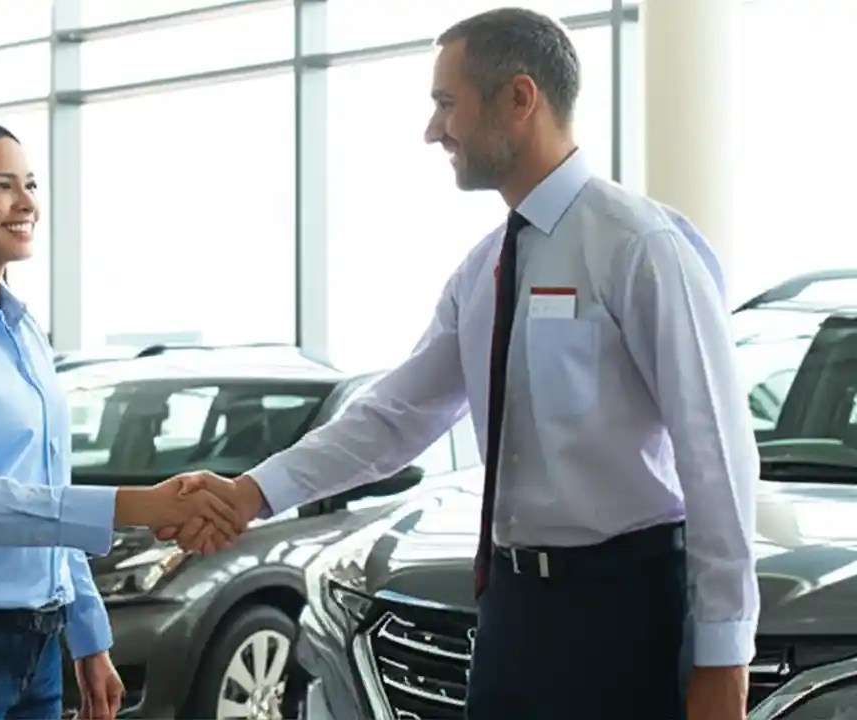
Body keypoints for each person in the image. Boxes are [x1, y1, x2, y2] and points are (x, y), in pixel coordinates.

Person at [162, 8, 758, 720]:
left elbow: (715, 452)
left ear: (519, 97)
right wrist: (250, 493)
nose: (434, 129)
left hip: (625, 609)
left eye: (447, 104)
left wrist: (725, 655)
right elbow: (394, 417)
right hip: (513, 611)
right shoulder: (485, 272)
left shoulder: (641, 247)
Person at [0, 118, 243, 720]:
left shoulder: (24, 330)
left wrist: (88, 633)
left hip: (37, 643)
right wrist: (143, 506)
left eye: (30, 184)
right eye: (3, 186)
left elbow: (47, 497)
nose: (28, 201)